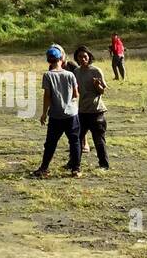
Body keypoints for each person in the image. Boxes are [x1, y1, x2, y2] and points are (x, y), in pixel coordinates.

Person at [35, 45, 81, 177]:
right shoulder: (70, 74)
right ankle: (76, 169)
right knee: (74, 141)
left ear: (48, 60)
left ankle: (44, 168)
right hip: (71, 113)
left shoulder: (48, 75)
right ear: (61, 59)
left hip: (56, 115)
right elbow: (76, 94)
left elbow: (47, 96)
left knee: (50, 143)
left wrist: (44, 113)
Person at [73, 47, 110, 169]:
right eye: (80, 57)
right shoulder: (76, 72)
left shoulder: (96, 71)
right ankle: (73, 163)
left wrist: (97, 85)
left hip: (96, 111)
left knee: (98, 140)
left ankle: (104, 165)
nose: (83, 59)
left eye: (85, 56)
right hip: (82, 111)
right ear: (76, 58)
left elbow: (102, 91)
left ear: (89, 57)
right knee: (77, 139)